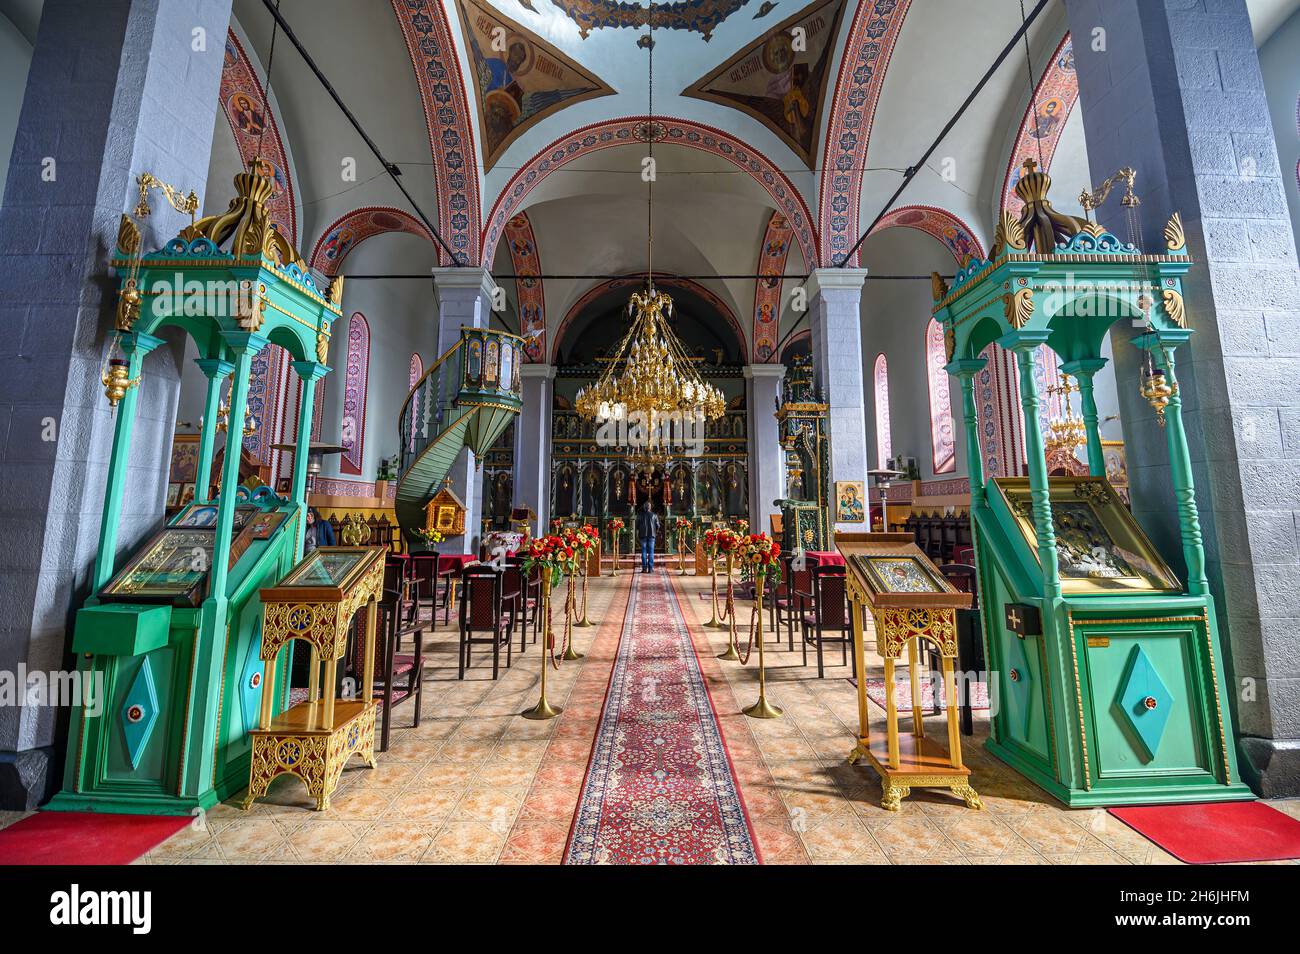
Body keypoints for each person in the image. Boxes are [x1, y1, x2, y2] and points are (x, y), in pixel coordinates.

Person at [636, 500, 660, 573]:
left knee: (643, 551)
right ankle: (650, 569)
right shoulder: (654, 515)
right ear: (650, 508)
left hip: (642, 535)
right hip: (652, 535)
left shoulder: (640, 515)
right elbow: (658, 525)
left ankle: (644, 568)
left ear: (644, 507)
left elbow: (637, 526)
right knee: (651, 552)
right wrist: (655, 531)